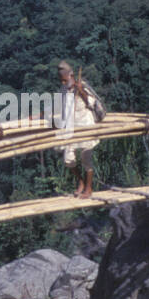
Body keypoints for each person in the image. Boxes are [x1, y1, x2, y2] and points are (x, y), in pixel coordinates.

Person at [53, 60, 105, 199]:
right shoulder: (64, 90)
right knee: (68, 159)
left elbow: (91, 102)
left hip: (86, 125)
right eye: (61, 81)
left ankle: (88, 188)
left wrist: (80, 90)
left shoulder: (82, 86)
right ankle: (80, 182)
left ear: (71, 75)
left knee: (86, 159)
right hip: (71, 127)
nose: (64, 83)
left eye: (65, 80)